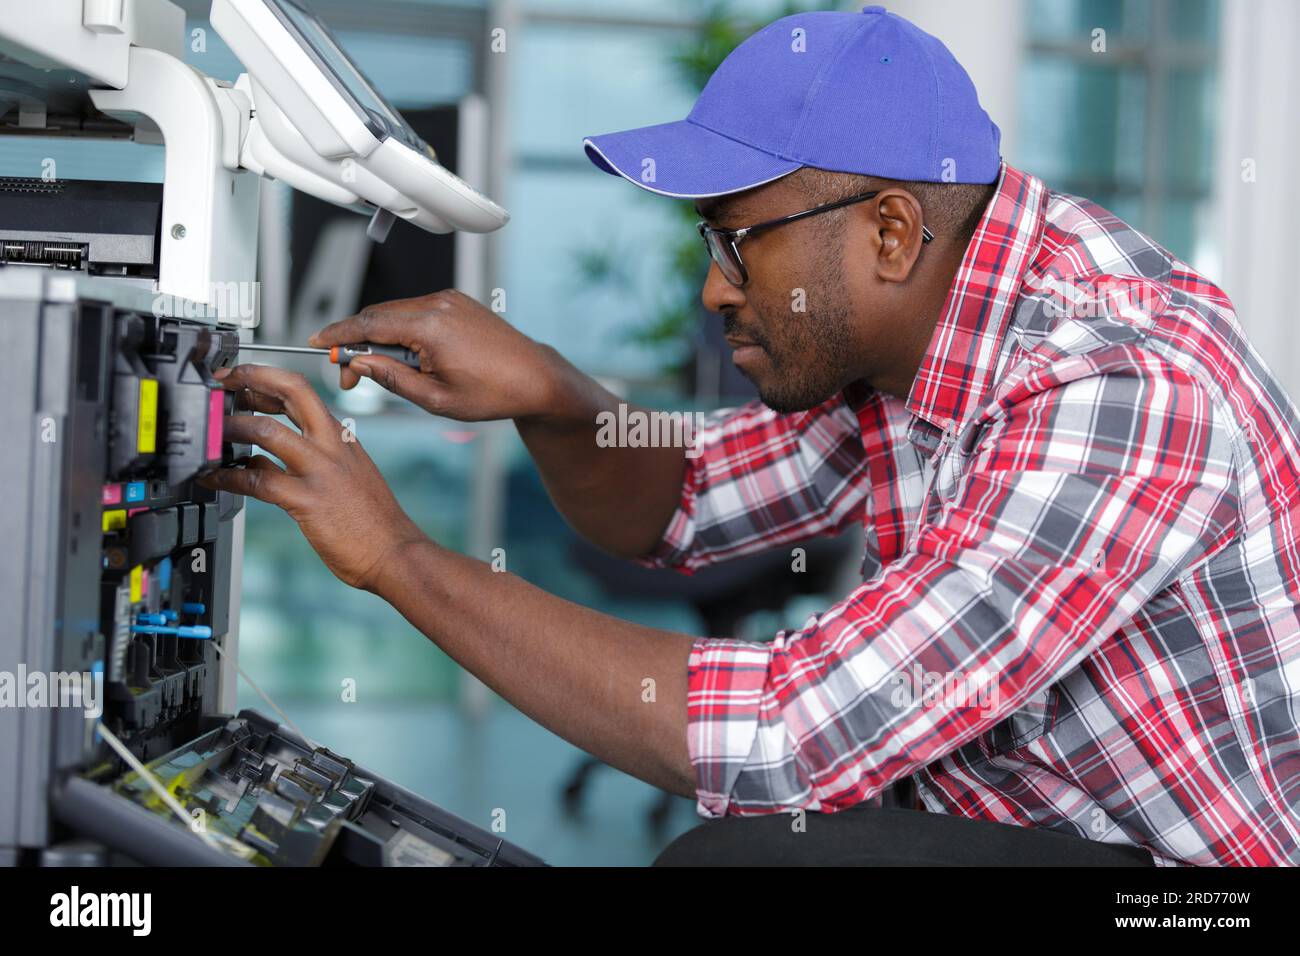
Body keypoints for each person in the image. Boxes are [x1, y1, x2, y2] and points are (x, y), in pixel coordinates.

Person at [201, 7, 1300, 866]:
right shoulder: (919, 319)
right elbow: (684, 502)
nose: (716, 290)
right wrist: (549, 390)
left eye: (737, 244)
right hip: (1041, 824)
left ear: (887, 231)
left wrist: (399, 556)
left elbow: (784, 736)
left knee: (740, 859)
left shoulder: (1113, 385)